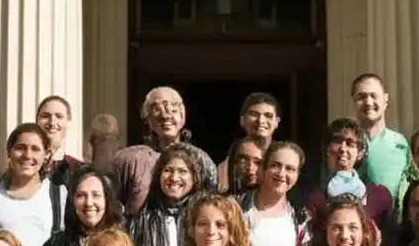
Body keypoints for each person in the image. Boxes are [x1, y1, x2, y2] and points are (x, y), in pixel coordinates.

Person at [299, 118, 395, 246]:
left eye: (350, 143)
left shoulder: (380, 196)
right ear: (327, 149)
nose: (343, 149)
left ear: (361, 153)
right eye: (337, 142)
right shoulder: (315, 199)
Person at [111, 86, 218, 215]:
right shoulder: (129, 159)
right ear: (146, 118)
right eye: (157, 110)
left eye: (173, 110)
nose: (166, 116)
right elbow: (112, 204)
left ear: (182, 115)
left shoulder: (201, 160)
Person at [0, 123, 67, 246]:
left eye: (35, 149)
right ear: (9, 151)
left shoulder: (58, 196)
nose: (28, 155)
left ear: (46, 155)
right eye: (21, 147)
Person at [352, 73, 410, 204]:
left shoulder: (400, 144)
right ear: (354, 101)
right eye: (361, 97)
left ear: (385, 99)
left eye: (373, 96)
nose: (368, 102)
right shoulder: (344, 144)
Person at [217, 92, 281, 190]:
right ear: (242, 120)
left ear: (277, 122)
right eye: (254, 114)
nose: (261, 121)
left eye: (268, 115)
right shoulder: (227, 163)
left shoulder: (284, 156)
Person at [36, 95, 86, 188]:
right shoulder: (26, 165)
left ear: (68, 122)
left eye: (59, 116)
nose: (52, 122)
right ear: (37, 121)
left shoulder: (80, 170)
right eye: (45, 116)